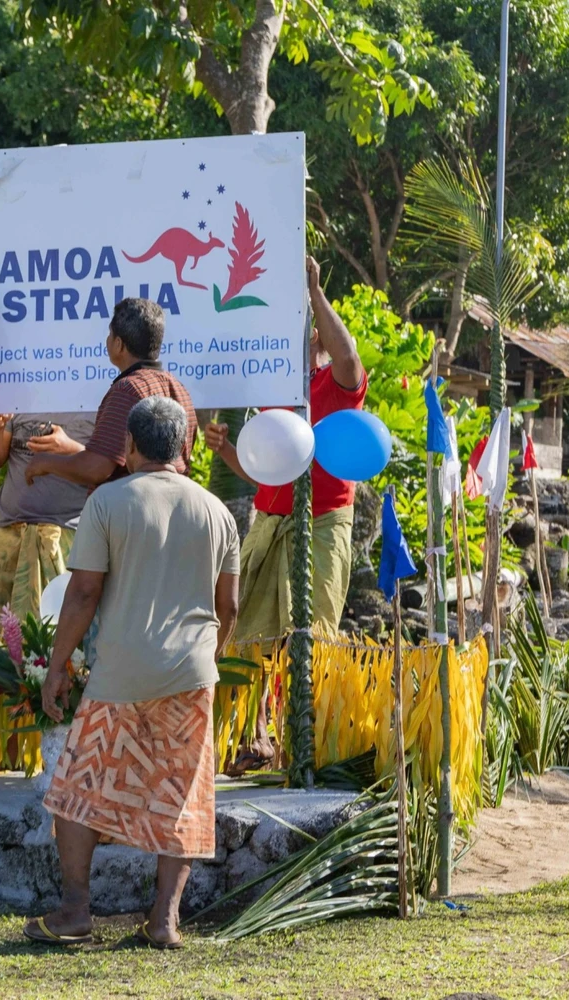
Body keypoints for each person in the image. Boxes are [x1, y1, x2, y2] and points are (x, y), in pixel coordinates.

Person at [27, 396, 240, 949]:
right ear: (186, 450)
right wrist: (206, 662)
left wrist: (57, 666)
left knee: (76, 789)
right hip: (191, 672)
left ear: (127, 447)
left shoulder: (107, 502)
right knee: (184, 793)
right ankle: (164, 921)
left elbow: (84, 591)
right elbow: (230, 607)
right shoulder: (217, 512)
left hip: (119, 672)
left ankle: (75, 911)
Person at [204, 256, 367, 772]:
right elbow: (265, 473)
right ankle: (254, 738)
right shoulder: (273, 393)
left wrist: (315, 291)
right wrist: (228, 450)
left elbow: (349, 355)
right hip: (269, 520)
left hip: (322, 521)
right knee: (246, 629)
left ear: (315, 337)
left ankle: (310, 740)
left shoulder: (336, 383)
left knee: (311, 631)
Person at [24, 297, 197, 489]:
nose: (106, 340)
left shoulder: (127, 390)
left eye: (110, 334)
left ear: (119, 344)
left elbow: (96, 469)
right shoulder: (180, 390)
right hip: (172, 506)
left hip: (130, 511)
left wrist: (45, 462)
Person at [0, 412, 96, 634]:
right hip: (11, 540)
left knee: (59, 643)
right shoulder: (23, 395)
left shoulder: (98, 397)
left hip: (68, 541)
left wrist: (71, 449)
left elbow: (120, 466)